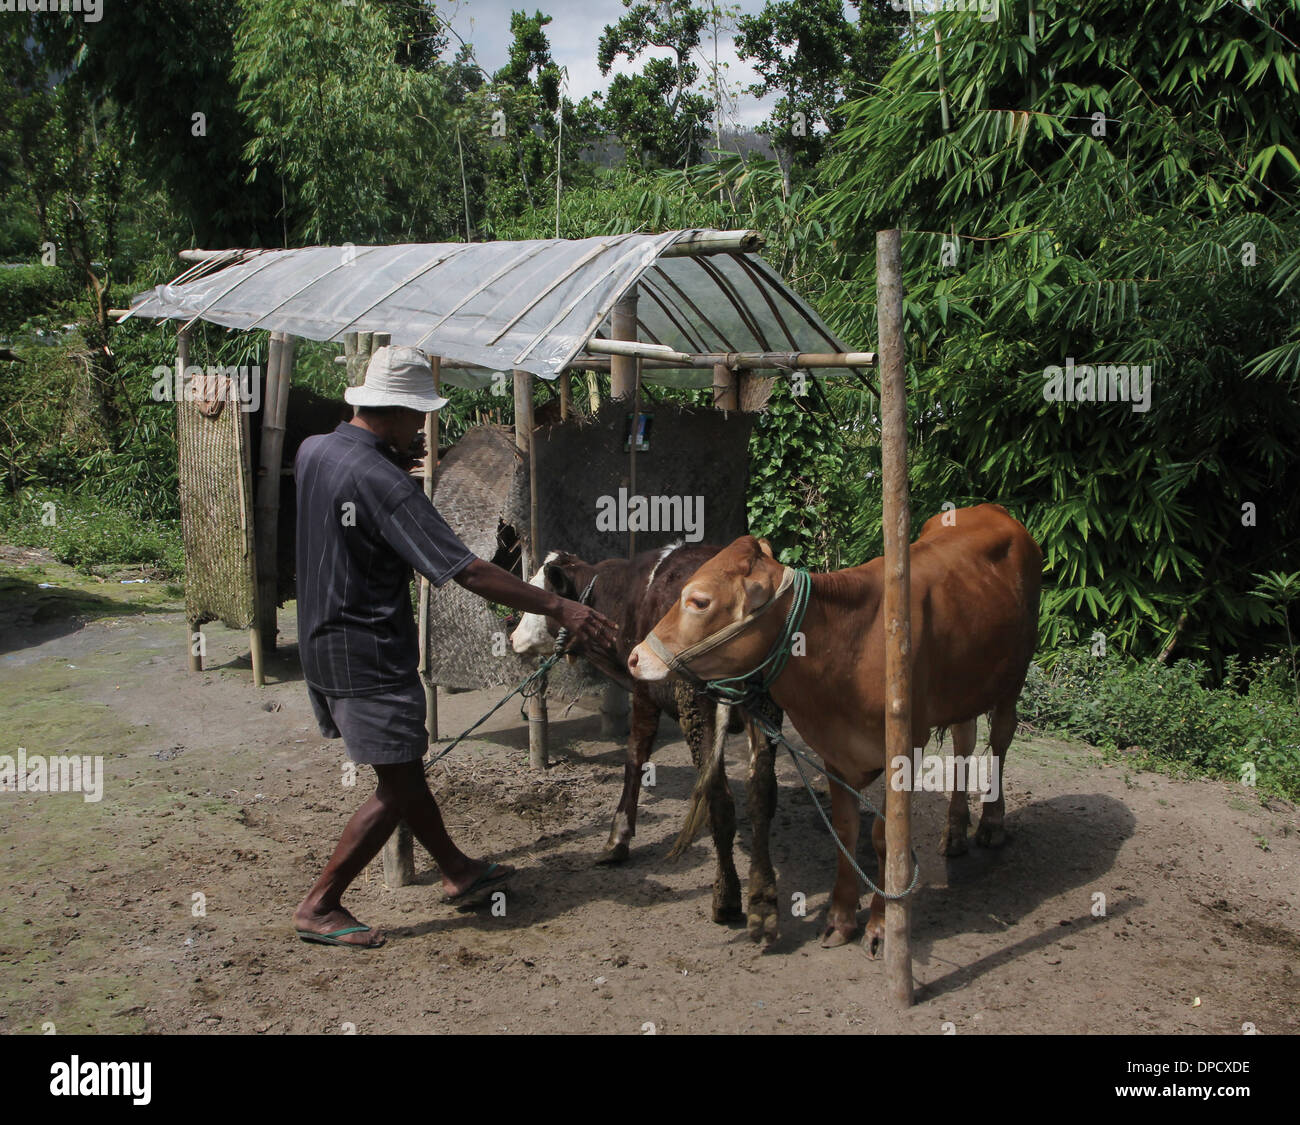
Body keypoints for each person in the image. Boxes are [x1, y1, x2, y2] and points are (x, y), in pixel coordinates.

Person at [291, 345, 617, 948]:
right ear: (394, 411)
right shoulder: (385, 482)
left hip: (319, 637)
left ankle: (456, 869)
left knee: (405, 770)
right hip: (366, 649)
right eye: (417, 416)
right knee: (396, 787)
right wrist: (557, 604)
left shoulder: (316, 450)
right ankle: (320, 903)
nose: (422, 428)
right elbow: (464, 570)